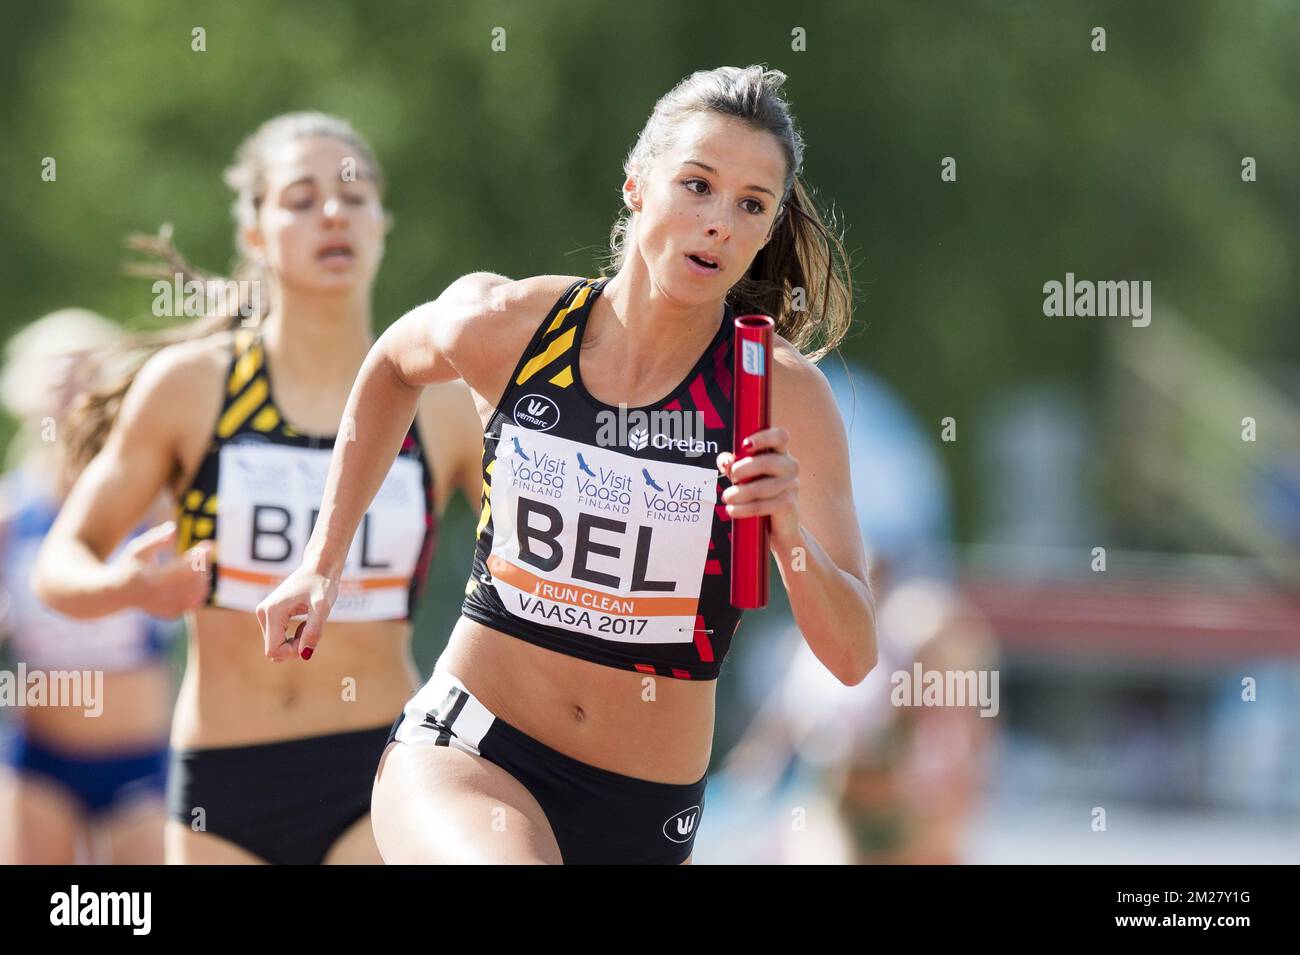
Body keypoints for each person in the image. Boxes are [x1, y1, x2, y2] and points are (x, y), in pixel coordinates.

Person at [258, 65, 877, 865]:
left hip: (643, 813)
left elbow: (854, 654)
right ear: (636, 186)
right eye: (697, 185)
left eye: (750, 204)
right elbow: (392, 366)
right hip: (472, 749)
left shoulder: (782, 397)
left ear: (765, 231)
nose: (719, 221)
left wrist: (788, 533)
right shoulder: (510, 325)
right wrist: (321, 559)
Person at [32, 113, 483, 864]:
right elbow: (59, 563)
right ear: (254, 233)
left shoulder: (439, 401)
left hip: (379, 762)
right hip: (225, 781)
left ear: (382, 223)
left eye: (354, 195)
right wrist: (122, 586)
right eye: (301, 199)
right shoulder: (191, 387)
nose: (333, 213)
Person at [0, 310, 175, 864]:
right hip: (39, 762)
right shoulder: (9, 515)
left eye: (86, 368)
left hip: (140, 761)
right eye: (56, 371)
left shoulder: (155, 506)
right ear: (24, 389)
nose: (70, 384)